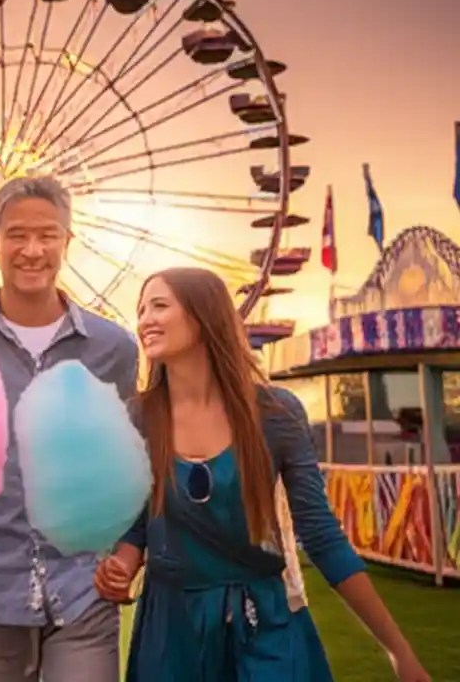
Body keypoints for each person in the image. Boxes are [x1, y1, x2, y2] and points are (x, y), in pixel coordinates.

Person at [94, 267, 430, 681]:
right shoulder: (140, 416)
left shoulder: (276, 413)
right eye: (141, 309)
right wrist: (125, 562)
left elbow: (321, 535)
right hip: (172, 631)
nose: (145, 320)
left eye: (159, 306)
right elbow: (142, 519)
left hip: (263, 623)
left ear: (205, 316)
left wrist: (398, 650)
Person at [0, 175, 138, 681]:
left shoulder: (113, 348)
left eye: (47, 235)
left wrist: (127, 550)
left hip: (82, 582)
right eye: (16, 235)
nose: (32, 250)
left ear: (67, 241)